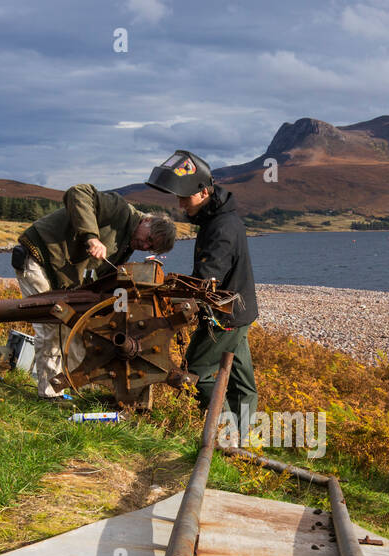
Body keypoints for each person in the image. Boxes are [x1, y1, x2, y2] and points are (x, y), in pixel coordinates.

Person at [14, 184, 176, 398]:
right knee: (51, 326)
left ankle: (64, 387)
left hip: (58, 273)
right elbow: (77, 192)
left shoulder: (127, 244)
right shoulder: (119, 209)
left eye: (150, 247)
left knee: (72, 328)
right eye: (148, 239)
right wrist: (92, 237)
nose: (144, 246)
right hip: (38, 257)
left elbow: (104, 276)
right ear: (146, 221)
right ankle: (49, 394)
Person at [144, 150, 257, 434]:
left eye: (185, 198)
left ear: (204, 192)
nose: (181, 204)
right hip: (238, 313)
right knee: (241, 381)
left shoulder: (221, 228)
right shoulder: (218, 220)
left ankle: (225, 435)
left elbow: (207, 280)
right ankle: (243, 439)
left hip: (224, 317)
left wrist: (167, 290)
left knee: (197, 372)